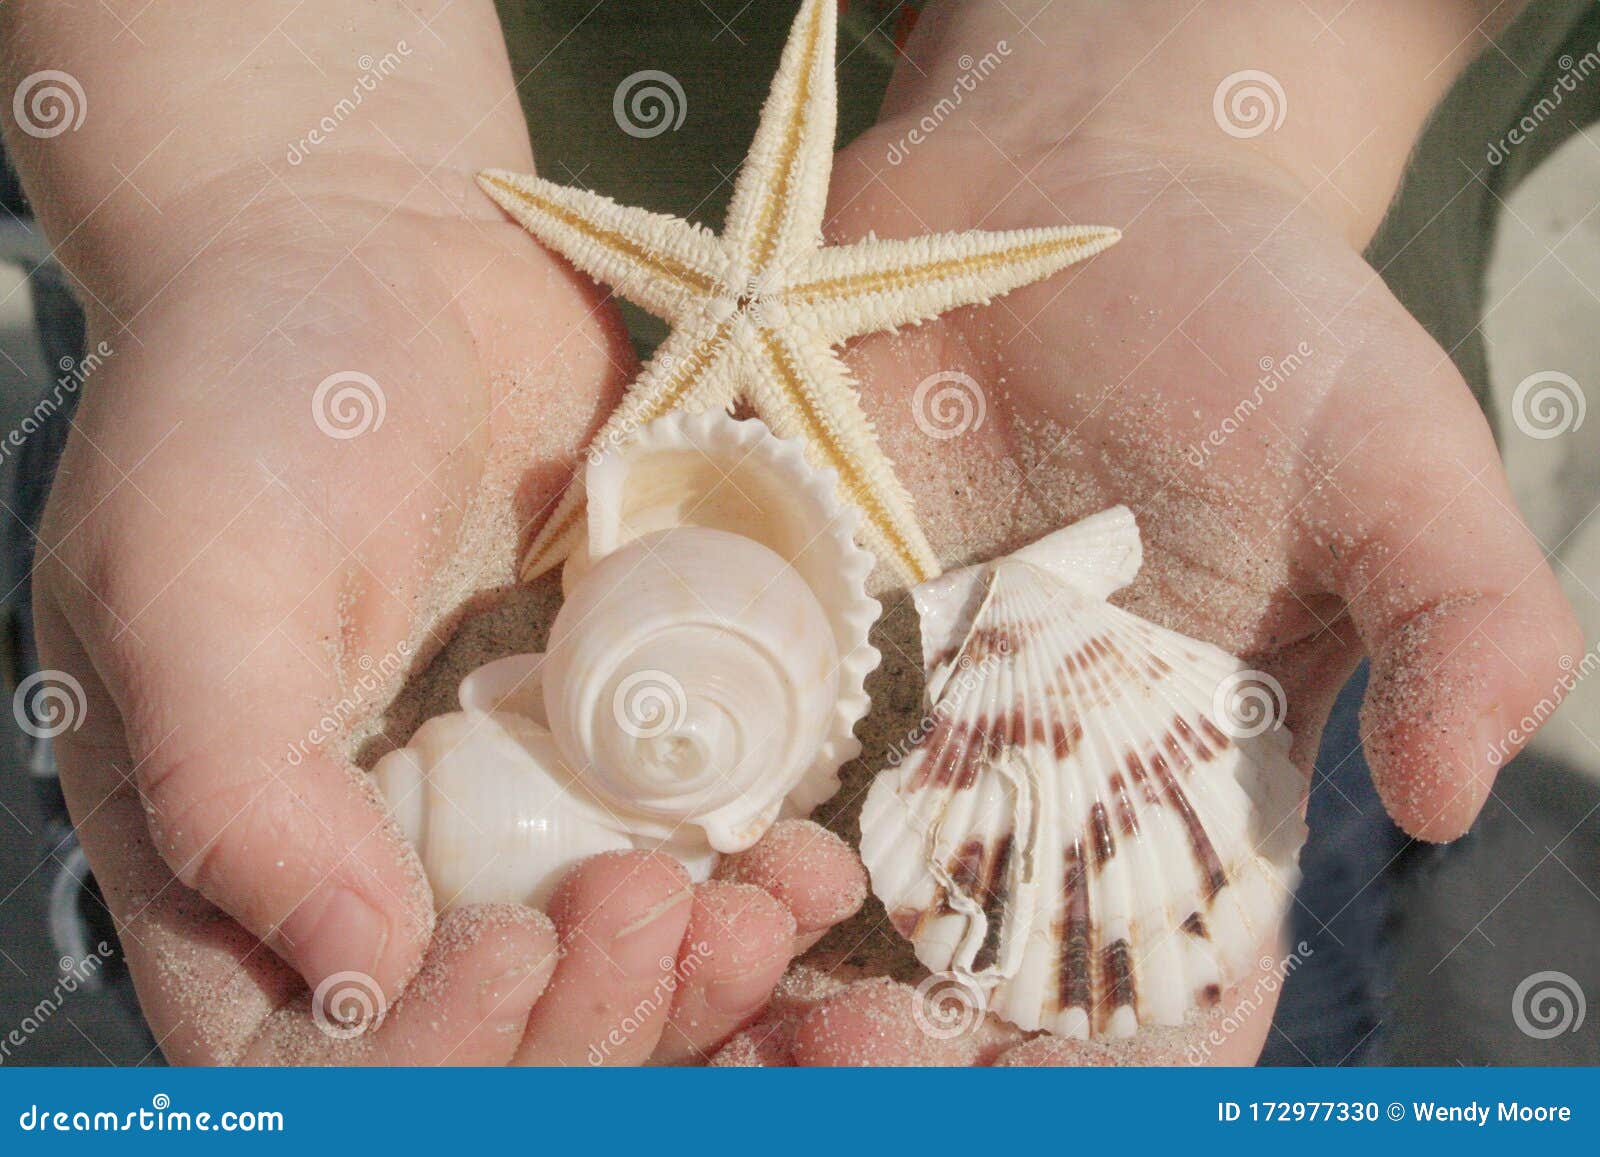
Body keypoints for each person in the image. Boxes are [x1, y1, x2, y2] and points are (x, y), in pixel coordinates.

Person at [0, 0, 1586, 1064]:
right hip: (338, 499)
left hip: (1237, 591)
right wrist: (277, 189)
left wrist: (1175, 124)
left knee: (1244, 892)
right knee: (218, 749)